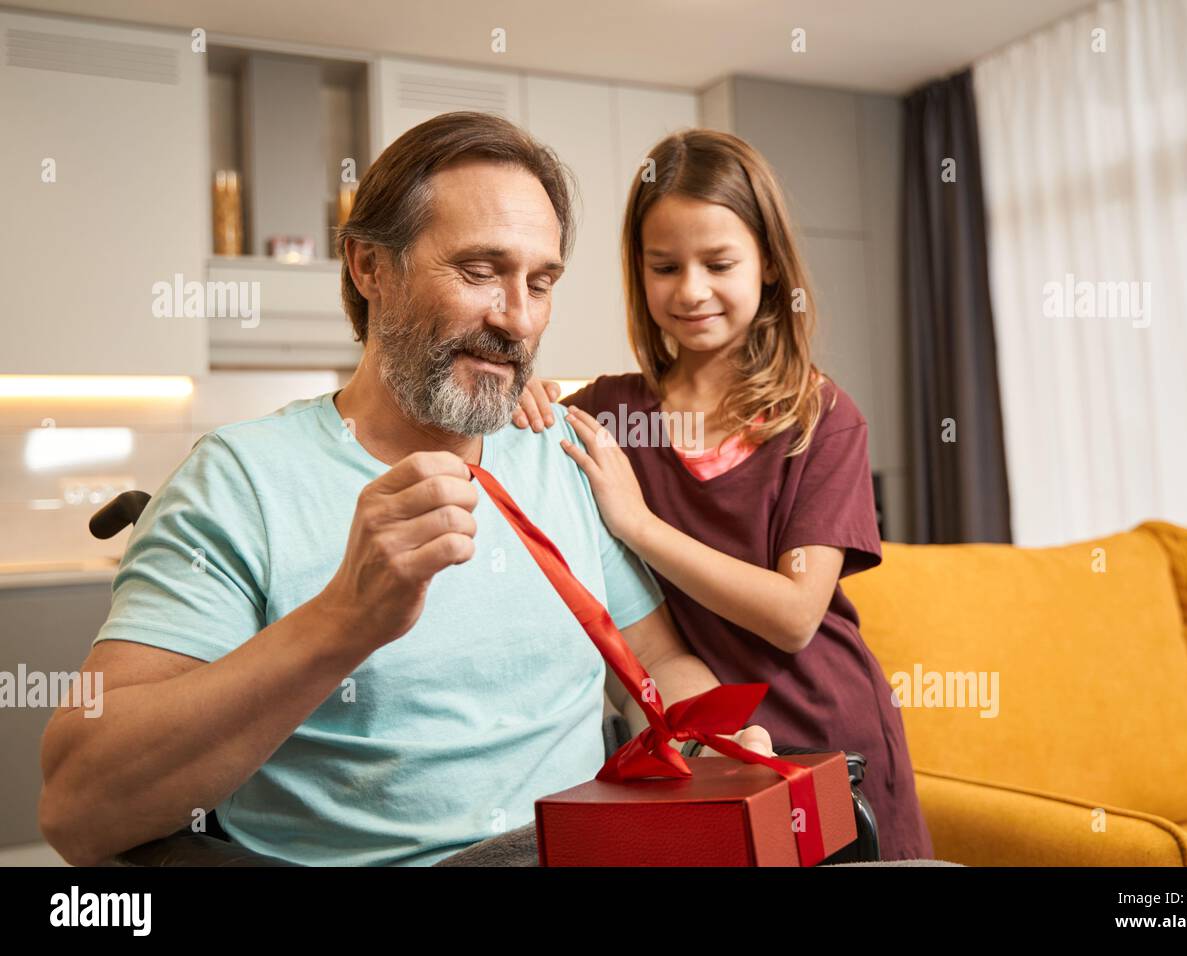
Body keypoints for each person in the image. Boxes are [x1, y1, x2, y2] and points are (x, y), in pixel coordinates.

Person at [37, 112, 772, 867]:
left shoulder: (561, 452)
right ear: (369, 268)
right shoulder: (238, 481)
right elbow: (77, 810)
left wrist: (704, 732)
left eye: (540, 281)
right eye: (480, 271)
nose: (517, 318)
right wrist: (342, 622)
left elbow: (656, 658)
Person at [512, 128, 934, 860]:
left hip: (832, 734)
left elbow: (795, 615)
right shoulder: (612, 411)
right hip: (708, 755)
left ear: (768, 264)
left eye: (719, 263)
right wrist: (520, 393)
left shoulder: (822, 417)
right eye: (665, 266)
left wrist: (638, 525)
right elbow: (527, 430)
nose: (692, 289)